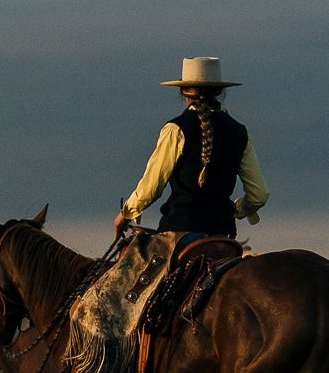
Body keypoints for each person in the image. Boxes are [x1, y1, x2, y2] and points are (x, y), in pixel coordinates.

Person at [112, 56, 268, 241]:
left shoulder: (175, 130)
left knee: (130, 270)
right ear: (219, 91)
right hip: (223, 233)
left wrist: (126, 213)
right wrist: (236, 210)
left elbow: (152, 187)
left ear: (184, 92)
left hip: (180, 229)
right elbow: (259, 195)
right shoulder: (240, 132)